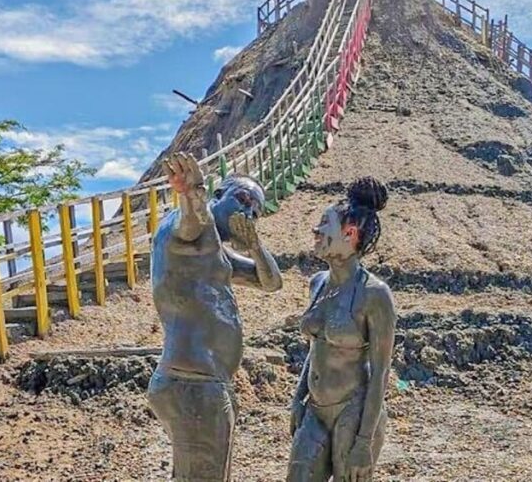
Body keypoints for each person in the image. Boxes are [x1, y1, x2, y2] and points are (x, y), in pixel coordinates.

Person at [147, 152, 283, 482]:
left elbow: (271, 282)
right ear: (218, 196)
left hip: (204, 381)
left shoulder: (215, 252)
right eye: (243, 199)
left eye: (255, 210)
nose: (248, 211)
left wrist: (254, 245)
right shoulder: (190, 229)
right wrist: (191, 194)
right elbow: (191, 222)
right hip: (193, 382)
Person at [287, 177, 396, 482]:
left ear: (349, 234)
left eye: (325, 224)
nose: (316, 231)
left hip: (355, 412)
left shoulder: (374, 294)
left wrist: (364, 441)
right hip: (315, 410)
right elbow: (316, 348)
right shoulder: (317, 283)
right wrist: (299, 398)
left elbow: (381, 372)